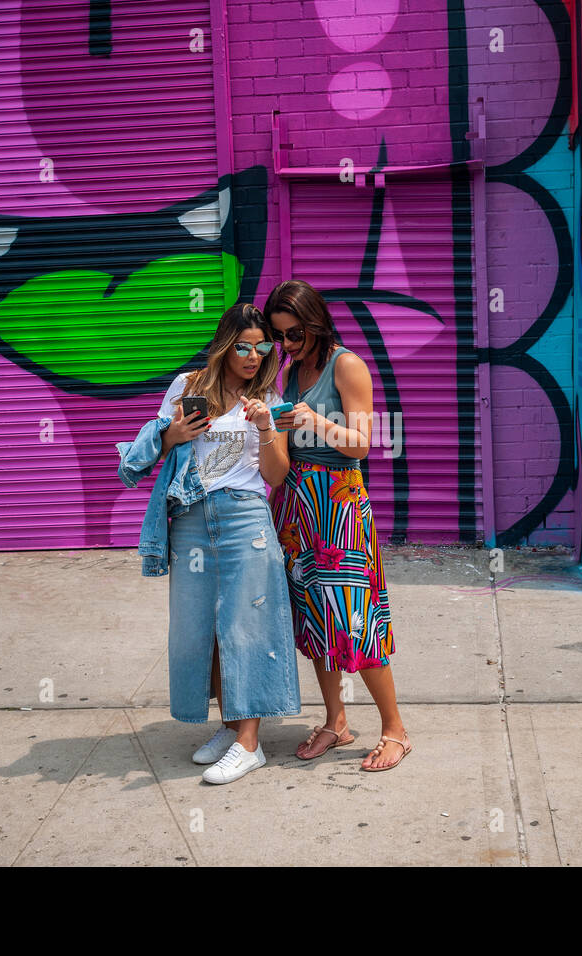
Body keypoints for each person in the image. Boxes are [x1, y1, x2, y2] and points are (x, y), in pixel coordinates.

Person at [117, 303, 299, 784]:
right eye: (244, 346)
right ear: (225, 344)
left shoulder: (267, 396)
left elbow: (275, 475)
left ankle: (249, 743)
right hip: (191, 517)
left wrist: (265, 426)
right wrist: (174, 434)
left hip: (245, 516)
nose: (254, 356)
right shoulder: (187, 386)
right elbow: (159, 446)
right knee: (203, 630)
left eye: (263, 347)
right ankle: (229, 724)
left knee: (248, 624)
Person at [264, 279, 411, 771]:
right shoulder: (291, 369)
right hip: (295, 503)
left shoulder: (346, 364)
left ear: (316, 322)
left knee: (355, 618)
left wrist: (314, 421)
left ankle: (395, 729)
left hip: (339, 498)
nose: (286, 344)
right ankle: (336, 721)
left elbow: (363, 443)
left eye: (295, 333)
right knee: (315, 616)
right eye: (280, 335)